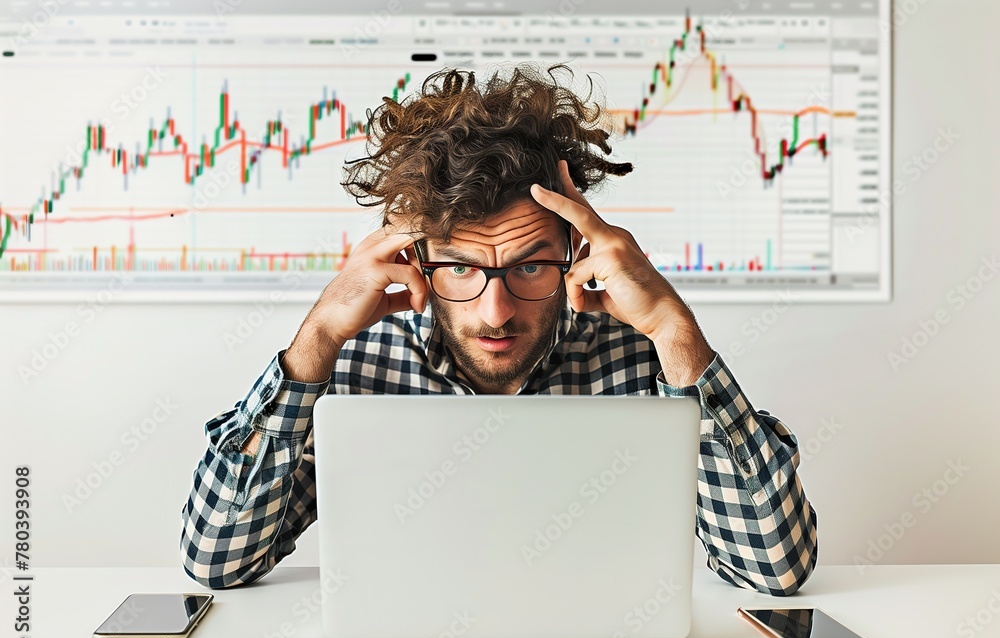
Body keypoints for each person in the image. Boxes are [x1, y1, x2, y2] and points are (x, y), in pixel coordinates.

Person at [179, 63, 817, 596]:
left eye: (530, 266)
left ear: (575, 252)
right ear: (418, 261)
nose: (496, 311)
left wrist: (675, 329)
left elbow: (775, 568)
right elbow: (216, 560)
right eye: (460, 267)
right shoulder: (355, 369)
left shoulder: (645, 362)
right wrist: (317, 338)